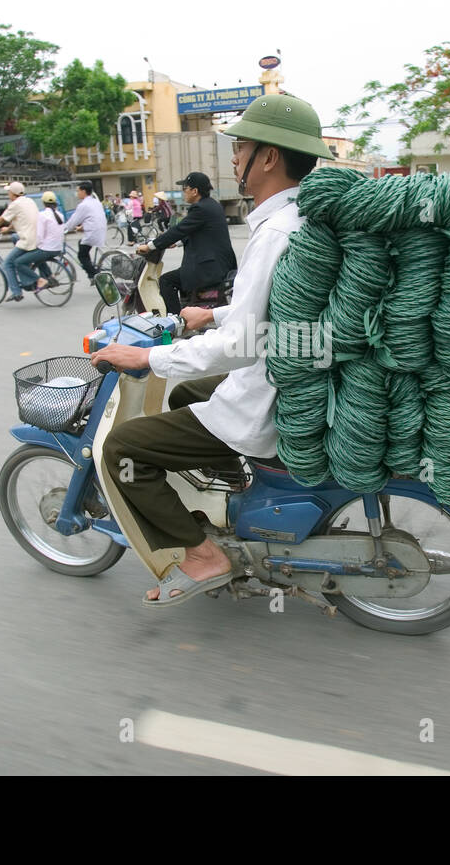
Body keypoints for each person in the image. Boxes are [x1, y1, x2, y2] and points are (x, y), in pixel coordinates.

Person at [91, 94, 333, 605]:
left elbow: (242, 346)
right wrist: (214, 314)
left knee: (121, 449)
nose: (234, 157)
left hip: (266, 387)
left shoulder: (275, 233)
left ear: (268, 157)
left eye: (241, 146)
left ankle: (204, 557)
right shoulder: (300, 218)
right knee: (186, 396)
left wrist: (147, 358)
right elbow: (275, 309)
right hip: (291, 368)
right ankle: (239, 503)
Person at [137, 172, 235, 315]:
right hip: (219, 265)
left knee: (166, 281)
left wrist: (150, 246)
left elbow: (179, 229)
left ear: (195, 191)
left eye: (185, 189)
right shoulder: (212, 205)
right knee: (180, 276)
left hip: (209, 269)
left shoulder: (200, 208)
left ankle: (178, 322)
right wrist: (176, 244)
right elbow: (198, 231)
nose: (183, 192)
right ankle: (187, 310)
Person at [0, 181, 40, 302]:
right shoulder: (29, 201)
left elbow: (2, 219)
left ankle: (16, 292)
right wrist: (7, 229)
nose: (8, 193)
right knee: (14, 237)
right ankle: (25, 274)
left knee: (8, 263)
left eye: (9, 191)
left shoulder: (15, 204)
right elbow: (21, 219)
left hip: (27, 239)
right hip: (37, 236)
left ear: (13, 193)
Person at [16, 191, 65, 292]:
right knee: (38, 259)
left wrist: (33, 246)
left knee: (18, 262)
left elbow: (39, 236)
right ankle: (50, 276)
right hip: (58, 248)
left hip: (46, 249)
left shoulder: (42, 215)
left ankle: (39, 280)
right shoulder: (60, 215)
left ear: (43, 202)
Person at [60, 181, 107, 281]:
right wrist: (81, 227)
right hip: (100, 230)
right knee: (82, 246)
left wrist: (63, 229)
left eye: (78, 191)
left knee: (82, 255)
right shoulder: (95, 202)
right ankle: (91, 269)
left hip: (93, 233)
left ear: (84, 191)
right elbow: (92, 218)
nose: (77, 193)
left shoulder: (83, 205)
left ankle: (94, 275)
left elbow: (73, 221)